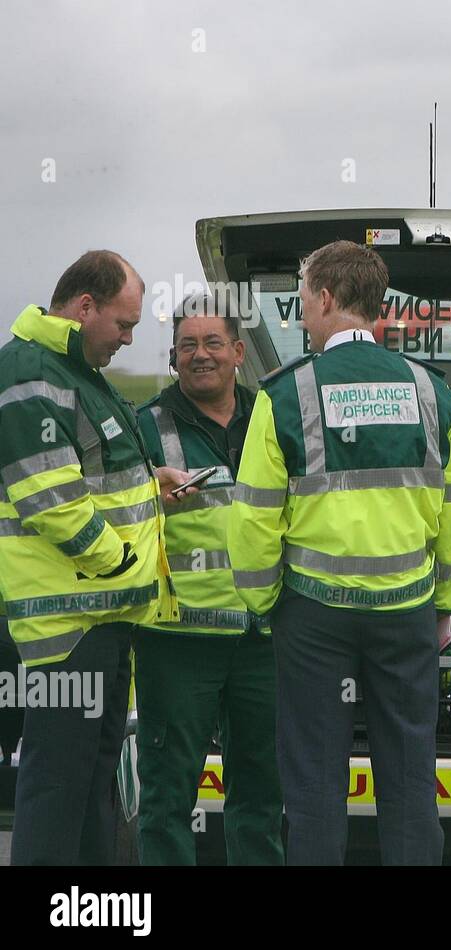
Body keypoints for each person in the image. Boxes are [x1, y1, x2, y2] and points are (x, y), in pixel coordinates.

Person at [228, 240, 451, 865]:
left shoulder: (282, 395)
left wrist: (264, 603)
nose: (301, 315)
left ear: (329, 298)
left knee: (313, 784)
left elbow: (256, 516)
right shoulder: (432, 393)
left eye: (305, 300)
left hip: (313, 615)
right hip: (408, 613)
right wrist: (449, 606)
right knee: (411, 779)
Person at [0, 250, 181, 865]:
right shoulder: (30, 371)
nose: (129, 341)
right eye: (123, 325)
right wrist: (125, 562)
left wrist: (150, 483)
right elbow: (52, 501)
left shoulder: (74, 371)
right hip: (67, 625)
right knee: (57, 787)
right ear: (84, 307)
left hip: (100, 617)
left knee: (92, 787)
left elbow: (91, 477)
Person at [133, 293, 283, 865]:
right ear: (173, 357)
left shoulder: (273, 416)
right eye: (188, 345)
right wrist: (151, 493)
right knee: (168, 796)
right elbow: (112, 509)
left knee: (262, 796)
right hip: (177, 641)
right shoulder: (141, 426)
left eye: (213, 343)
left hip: (261, 638)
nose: (200, 355)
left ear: (238, 352)